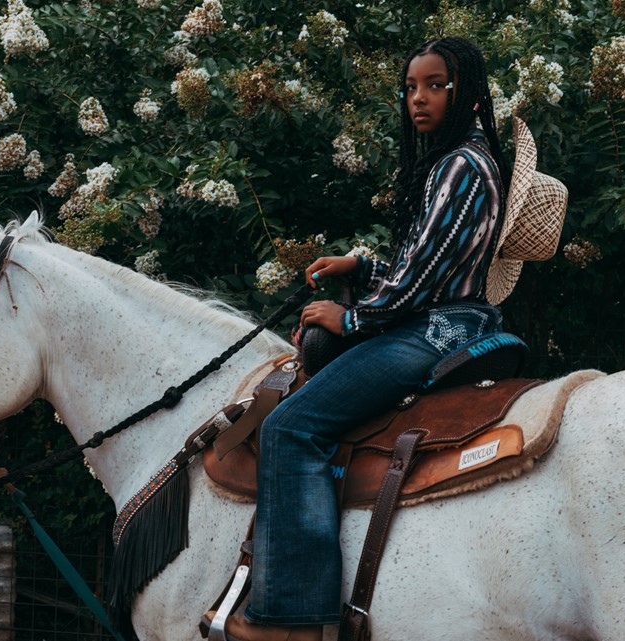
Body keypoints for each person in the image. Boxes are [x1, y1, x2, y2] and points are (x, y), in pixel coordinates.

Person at [225, 36, 509, 641]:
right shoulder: (456, 160)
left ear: (467, 92)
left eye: (436, 85)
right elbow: (419, 271)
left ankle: (294, 618)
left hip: (437, 331)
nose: (419, 99)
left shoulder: (462, 165)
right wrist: (359, 270)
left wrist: (350, 318)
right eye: (410, 88)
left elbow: (419, 287)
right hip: (436, 316)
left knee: (291, 428)